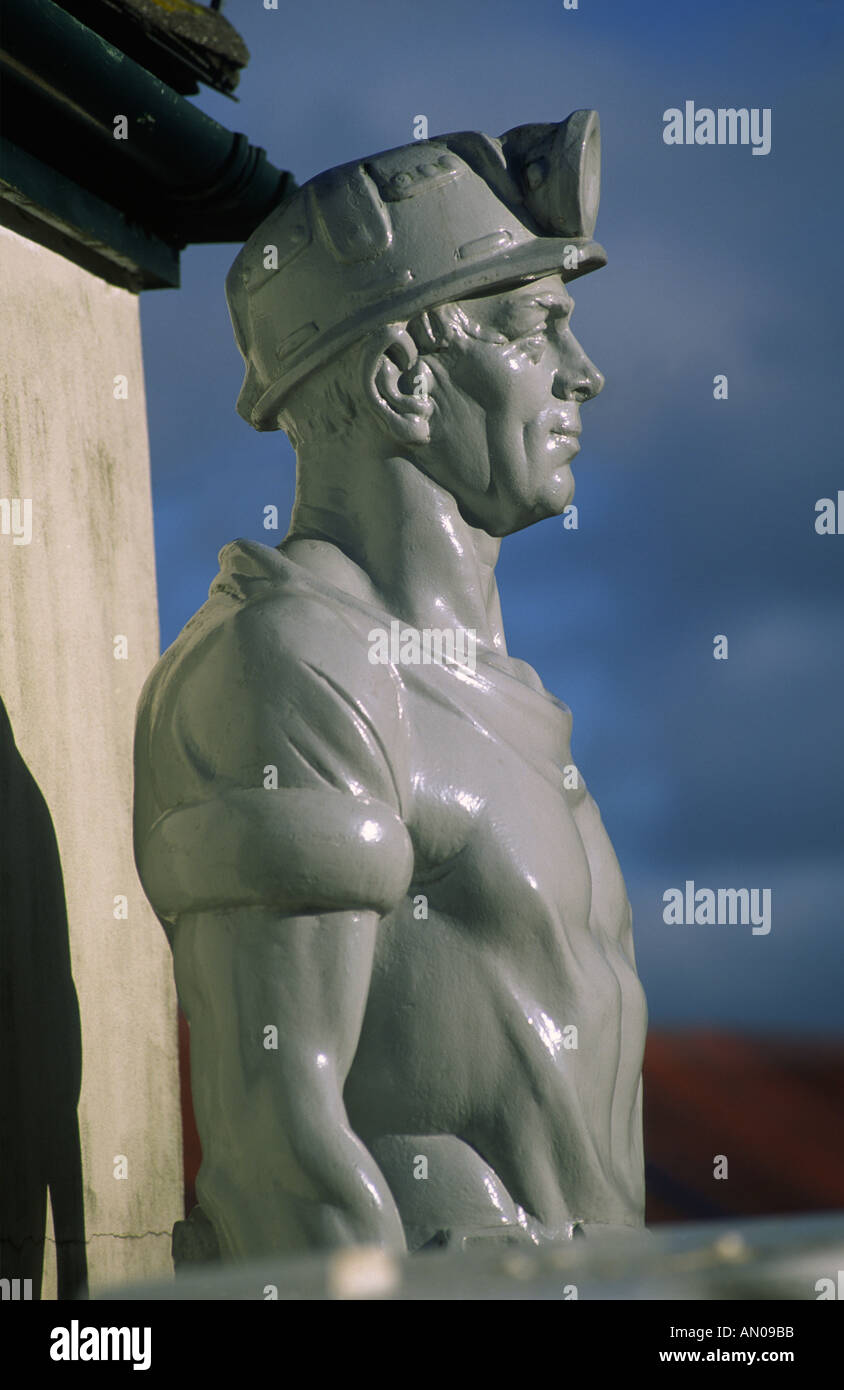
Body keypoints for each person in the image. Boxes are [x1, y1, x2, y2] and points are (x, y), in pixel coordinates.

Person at [133, 113, 648, 1259]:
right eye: (536, 329)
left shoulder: (495, 688)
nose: (585, 374)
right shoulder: (290, 666)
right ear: (403, 375)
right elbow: (281, 1153)